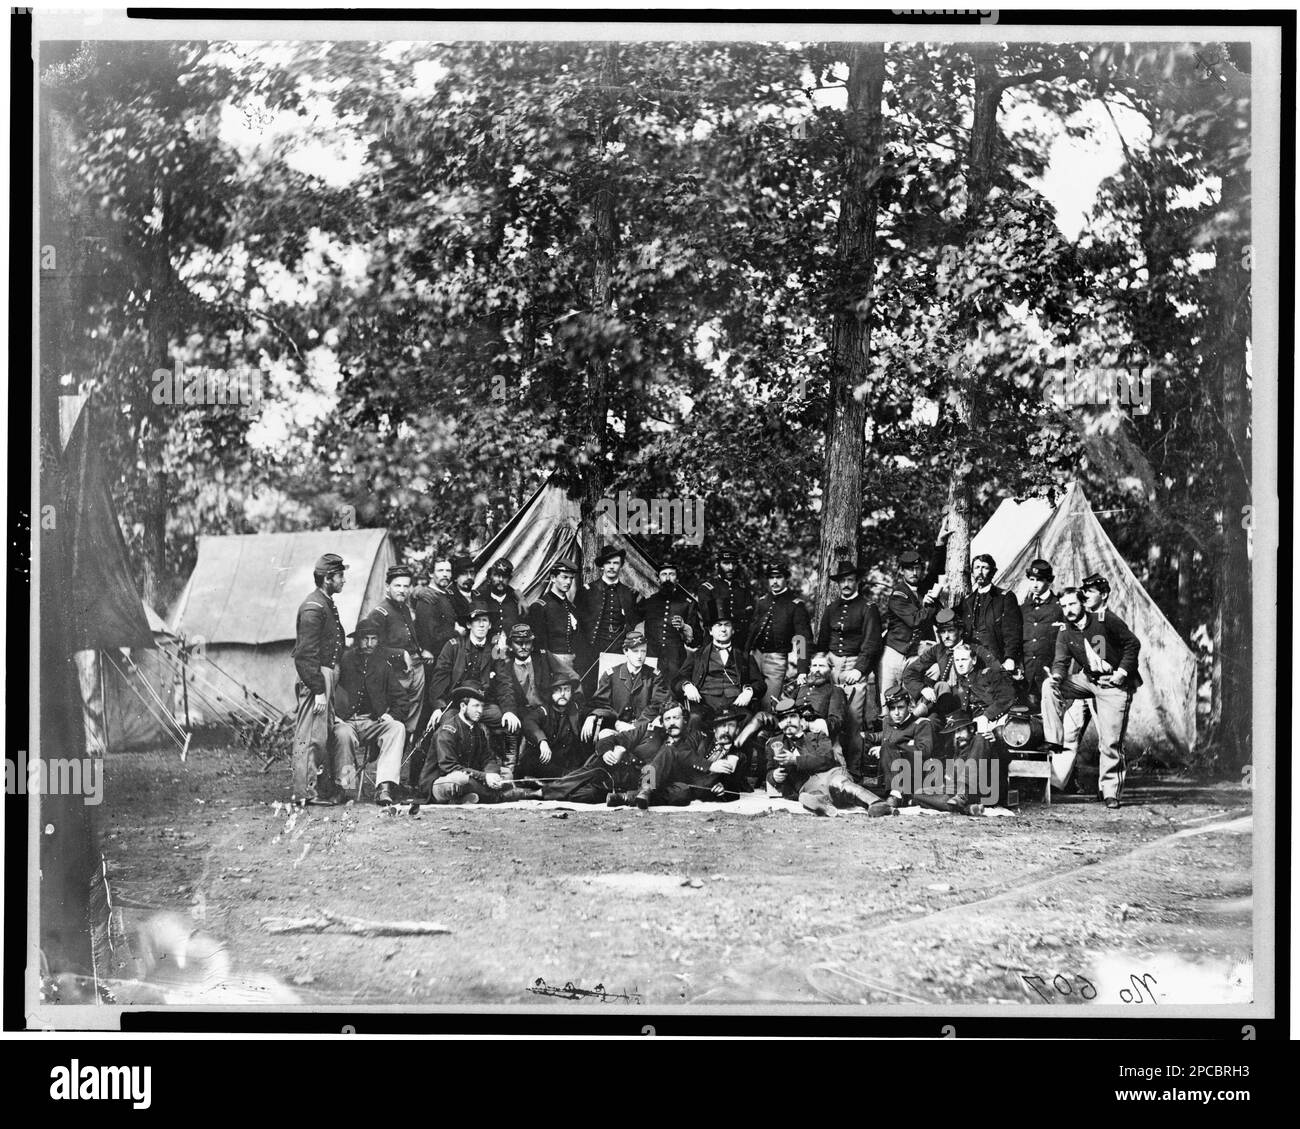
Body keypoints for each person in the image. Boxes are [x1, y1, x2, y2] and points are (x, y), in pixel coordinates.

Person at [1041, 585, 1143, 808]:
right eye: (1064, 605)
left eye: (1072, 604)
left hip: (1113, 685)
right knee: (1049, 685)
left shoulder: (1104, 620)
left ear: (1083, 604)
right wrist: (1057, 676)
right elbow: (1060, 661)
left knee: (1110, 741)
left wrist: (1122, 673)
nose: (1067, 609)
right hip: (1087, 679)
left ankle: (1110, 792)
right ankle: (1054, 741)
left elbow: (1132, 644)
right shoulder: (1065, 630)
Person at [764, 698, 893, 817]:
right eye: (782, 719)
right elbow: (769, 770)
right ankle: (823, 804)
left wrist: (795, 760)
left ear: (801, 719)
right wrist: (774, 776)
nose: (788, 722)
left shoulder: (818, 736)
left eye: (792, 717)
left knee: (839, 783)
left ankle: (877, 803)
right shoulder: (773, 744)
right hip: (807, 784)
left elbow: (826, 759)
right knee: (809, 795)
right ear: (779, 724)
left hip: (830, 774)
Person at [426, 602, 519, 766]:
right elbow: (438, 680)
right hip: (456, 706)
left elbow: (505, 681)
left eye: (485, 620)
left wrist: (509, 710)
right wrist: (437, 707)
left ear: (490, 625)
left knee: (509, 721)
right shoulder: (453, 646)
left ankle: (507, 769)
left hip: (484, 706)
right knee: (447, 725)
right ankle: (449, 770)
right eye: (477, 620)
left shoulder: (496, 649)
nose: (482, 624)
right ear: (469, 624)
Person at [815, 558, 883, 776]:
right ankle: (831, 768)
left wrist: (859, 669)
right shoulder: (831, 608)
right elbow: (823, 641)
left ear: (857, 582)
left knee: (853, 720)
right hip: (832, 666)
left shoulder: (868, 608)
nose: (846, 584)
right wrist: (819, 663)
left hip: (855, 666)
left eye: (850, 580)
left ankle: (854, 771)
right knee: (830, 716)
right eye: (842, 580)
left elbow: (872, 643)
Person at [332, 613, 408, 806]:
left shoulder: (383, 664)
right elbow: (329, 692)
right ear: (357, 640)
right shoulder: (345, 661)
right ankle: (346, 788)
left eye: (373, 639)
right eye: (365, 639)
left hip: (372, 723)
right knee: (342, 735)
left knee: (397, 728)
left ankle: (384, 787)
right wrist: (334, 716)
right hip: (346, 722)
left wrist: (390, 715)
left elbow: (402, 698)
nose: (369, 643)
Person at [290, 552, 348, 804]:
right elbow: (304, 655)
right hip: (317, 677)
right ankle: (305, 793)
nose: (343, 580)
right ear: (327, 579)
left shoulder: (325, 602)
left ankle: (318, 788)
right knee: (310, 736)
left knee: (322, 736)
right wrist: (318, 689)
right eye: (340, 576)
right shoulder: (313, 607)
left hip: (326, 675)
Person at [420, 683, 538, 804]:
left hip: (470, 777)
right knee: (458, 780)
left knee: (506, 774)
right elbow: (449, 767)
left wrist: (491, 774)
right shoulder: (448, 730)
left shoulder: (477, 730)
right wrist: (484, 777)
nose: (480, 711)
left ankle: (467, 797)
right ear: (463, 706)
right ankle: (495, 796)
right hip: (441, 781)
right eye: (475, 706)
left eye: (482, 706)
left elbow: (488, 758)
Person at [901, 608, 998, 718]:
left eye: (950, 630)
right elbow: (910, 672)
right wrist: (923, 689)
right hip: (944, 702)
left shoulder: (975, 649)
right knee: (930, 722)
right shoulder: (938, 650)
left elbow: (998, 672)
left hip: (970, 705)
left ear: (960, 630)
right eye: (942, 632)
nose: (946, 636)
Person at [675, 613, 765, 730]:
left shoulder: (745, 657)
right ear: (711, 631)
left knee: (748, 719)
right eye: (718, 625)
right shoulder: (697, 655)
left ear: (733, 630)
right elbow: (677, 679)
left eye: (727, 625)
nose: (723, 629)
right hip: (705, 705)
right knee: (695, 718)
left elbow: (760, 684)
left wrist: (749, 691)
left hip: (736, 705)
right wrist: (686, 686)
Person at [881, 547, 944, 708]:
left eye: (918, 568)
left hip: (916, 653)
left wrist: (939, 544)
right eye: (910, 569)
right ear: (902, 571)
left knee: (912, 698)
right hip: (895, 652)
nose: (914, 572)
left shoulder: (923, 589)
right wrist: (931, 605)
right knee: (887, 699)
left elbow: (936, 569)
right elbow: (915, 621)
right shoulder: (898, 594)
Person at [576, 546, 642, 696]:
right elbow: (579, 626)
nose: (612, 567)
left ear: (621, 565)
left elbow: (633, 623)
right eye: (608, 563)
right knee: (590, 689)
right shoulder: (587, 591)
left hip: (619, 650)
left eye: (616, 563)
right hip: (592, 651)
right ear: (602, 566)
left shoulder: (629, 593)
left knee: (616, 690)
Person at [371, 564, 425, 744]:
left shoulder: (405, 609)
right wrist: (400, 654)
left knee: (411, 718)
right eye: (397, 586)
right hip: (394, 673)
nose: (402, 590)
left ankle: (402, 754)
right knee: (395, 715)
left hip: (415, 669)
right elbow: (371, 649)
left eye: (406, 586)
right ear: (388, 587)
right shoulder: (379, 613)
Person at [584, 630, 668, 742]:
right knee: (606, 743)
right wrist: (593, 716)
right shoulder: (611, 675)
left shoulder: (654, 676)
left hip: (644, 731)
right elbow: (600, 703)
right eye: (635, 651)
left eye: (643, 651)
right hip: (616, 728)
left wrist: (637, 726)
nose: (640, 656)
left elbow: (659, 704)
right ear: (625, 651)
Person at [746, 560, 811, 704]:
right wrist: (745, 656)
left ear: (786, 578)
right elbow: (752, 631)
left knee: (769, 703)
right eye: (771, 577)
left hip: (776, 660)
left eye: (779, 577)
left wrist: (802, 669)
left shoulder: (795, 605)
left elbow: (802, 639)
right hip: (755, 658)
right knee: (749, 700)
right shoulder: (762, 601)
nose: (774, 581)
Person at [637, 558, 702, 690]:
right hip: (650, 658)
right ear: (658, 579)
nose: (667, 578)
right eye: (664, 574)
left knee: (674, 694)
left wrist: (684, 627)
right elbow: (632, 622)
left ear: (677, 579)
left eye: (671, 574)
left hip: (676, 661)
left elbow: (697, 640)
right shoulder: (649, 602)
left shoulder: (687, 604)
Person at [498, 623, 553, 776]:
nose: (523, 646)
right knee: (511, 725)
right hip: (522, 712)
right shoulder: (505, 665)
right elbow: (503, 691)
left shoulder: (543, 657)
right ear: (510, 645)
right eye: (518, 643)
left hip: (544, 710)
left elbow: (568, 675)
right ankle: (509, 770)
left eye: (527, 642)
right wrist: (509, 712)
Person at [957, 553, 1023, 671]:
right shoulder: (967, 600)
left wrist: (1010, 658)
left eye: (985, 568)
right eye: (977, 568)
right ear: (972, 573)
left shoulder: (1004, 597)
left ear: (992, 572)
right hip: (971, 660)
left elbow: (1012, 632)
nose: (980, 572)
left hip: (995, 658)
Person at [877, 682, 939, 810]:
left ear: (909, 706)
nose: (896, 713)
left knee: (888, 747)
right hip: (892, 773)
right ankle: (895, 793)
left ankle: (897, 794)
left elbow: (924, 752)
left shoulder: (921, 724)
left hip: (917, 774)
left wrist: (896, 748)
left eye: (900, 707)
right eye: (892, 708)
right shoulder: (887, 723)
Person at [517, 674, 589, 780]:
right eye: (558, 690)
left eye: (567, 690)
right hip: (547, 761)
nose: (563, 694)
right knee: (531, 762)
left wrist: (591, 718)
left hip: (567, 761)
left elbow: (594, 710)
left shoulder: (575, 709)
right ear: (551, 693)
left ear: (571, 693)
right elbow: (529, 722)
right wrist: (542, 741)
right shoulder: (544, 710)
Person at [527, 554, 583, 683]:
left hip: (573, 663)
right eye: (564, 577)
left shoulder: (571, 607)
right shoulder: (540, 606)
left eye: (571, 578)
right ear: (553, 578)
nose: (568, 582)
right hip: (552, 665)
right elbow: (539, 646)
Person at [1021, 558, 1064, 709]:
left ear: (1049, 581)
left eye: (1039, 580)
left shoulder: (1059, 608)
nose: (1035, 584)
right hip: (1025, 675)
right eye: (1032, 579)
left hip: (1049, 675)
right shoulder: (1023, 608)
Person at [696, 548, 753, 649]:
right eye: (726, 563)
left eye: (734, 563)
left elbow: (750, 617)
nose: (731, 568)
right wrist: (741, 612)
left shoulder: (743, 588)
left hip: (739, 645)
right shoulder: (707, 588)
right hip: (713, 646)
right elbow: (710, 617)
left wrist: (726, 612)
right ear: (717, 565)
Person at [473, 558, 528, 647]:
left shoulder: (515, 601)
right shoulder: (480, 598)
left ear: (509, 578)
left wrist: (521, 597)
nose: (501, 579)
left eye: (505, 576)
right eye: (497, 575)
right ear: (490, 577)